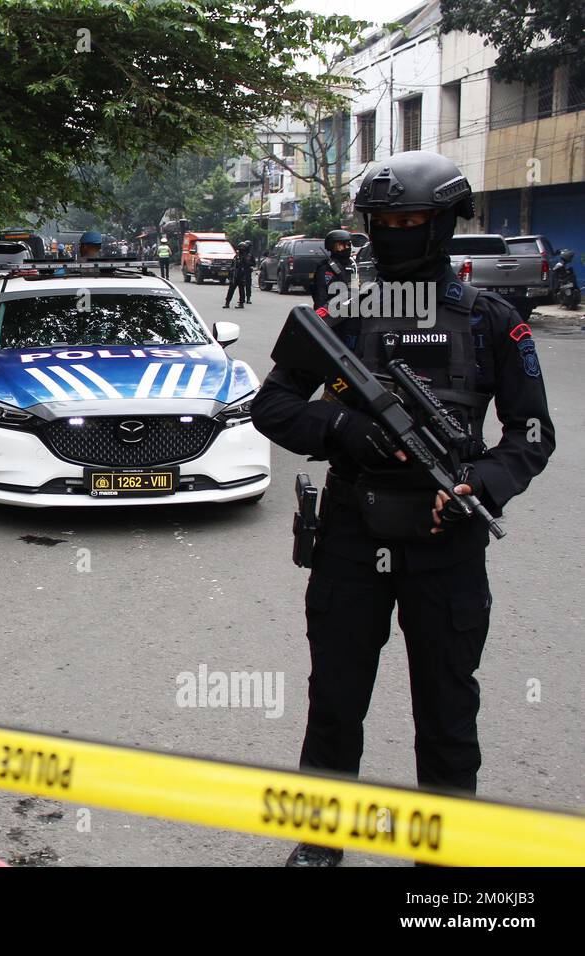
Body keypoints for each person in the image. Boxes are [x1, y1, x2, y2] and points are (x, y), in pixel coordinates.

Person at [251, 150, 555, 867]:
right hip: (354, 532)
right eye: (383, 221)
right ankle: (322, 840)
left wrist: (486, 482)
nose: (396, 232)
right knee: (336, 699)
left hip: (447, 539)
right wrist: (344, 428)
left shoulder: (490, 320)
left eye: (412, 219)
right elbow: (273, 405)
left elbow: (531, 433)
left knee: (449, 708)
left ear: (445, 223)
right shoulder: (342, 317)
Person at [311, 229, 355, 320]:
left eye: (348, 245)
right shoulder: (325, 269)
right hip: (331, 317)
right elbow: (320, 297)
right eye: (341, 246)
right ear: (332, 247)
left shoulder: (352, 265)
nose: (346, 248)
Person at [223, 240, 253, 309]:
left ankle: (241, 303)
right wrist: (230, 273)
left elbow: (247, 266)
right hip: (235, 275)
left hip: (241, 275)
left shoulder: (247, 257)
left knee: (241, 290)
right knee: (231, 290)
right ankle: (227, 303)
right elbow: (232, 265)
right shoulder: (237, 256)